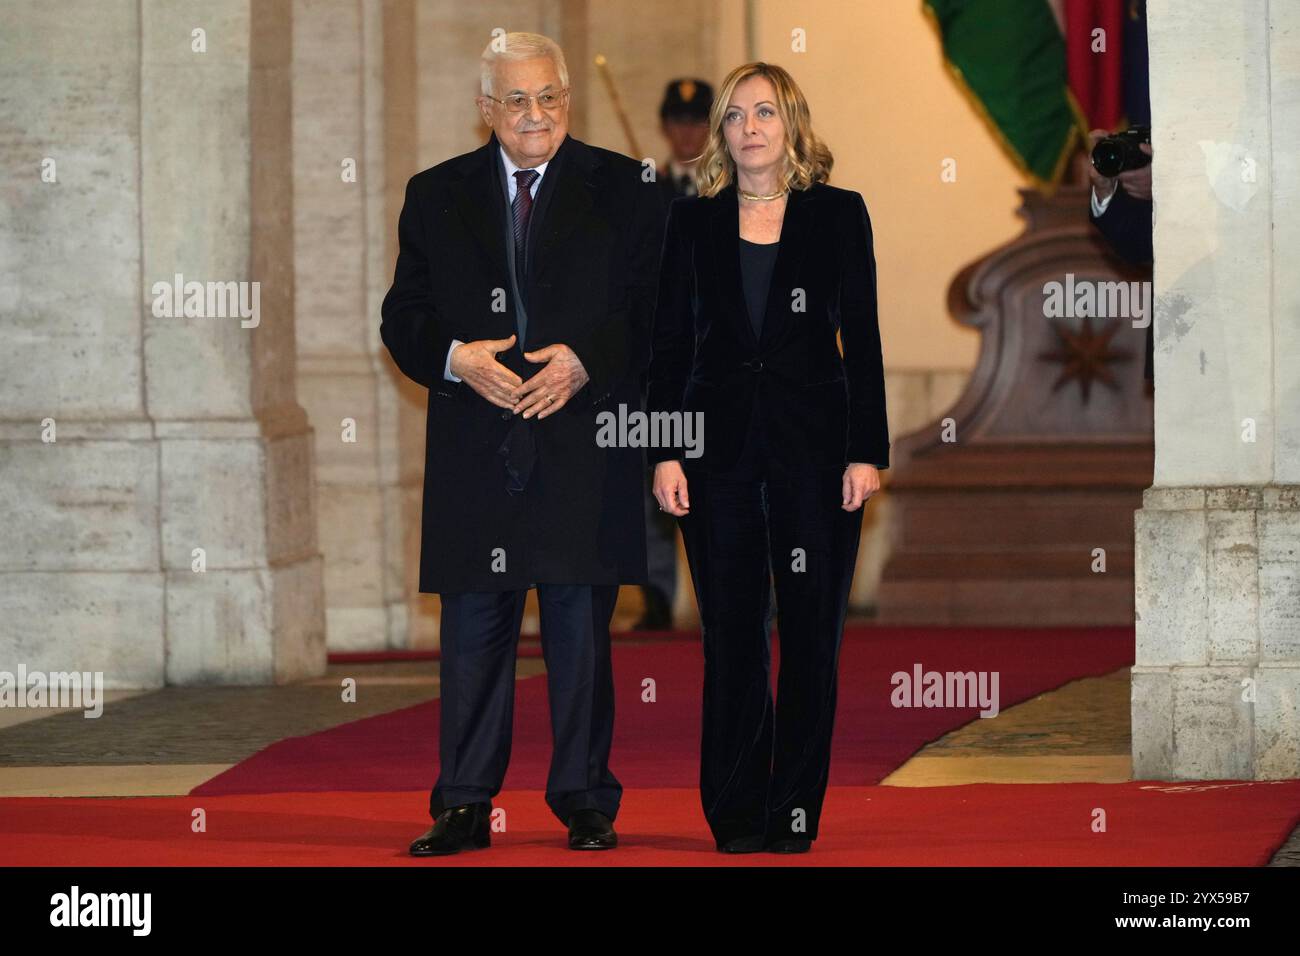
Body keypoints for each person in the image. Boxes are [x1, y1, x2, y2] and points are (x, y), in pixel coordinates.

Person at [380, 32, 664, 855]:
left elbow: (653, 311)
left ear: (567, 100)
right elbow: (404, 316)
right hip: (476, 452)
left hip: (583, 446)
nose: (535, 114)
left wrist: (586, 362)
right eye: (516, 99)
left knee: (580, 632)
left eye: (548, 97)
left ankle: (584, 799)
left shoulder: (627, 188)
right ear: (485, 110)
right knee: (473, 635)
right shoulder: (436, 195)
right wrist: (456, 359)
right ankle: (464, 804)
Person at [647, 61, 889, 853]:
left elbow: (864, 341)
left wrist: (866, 452)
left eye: (765, 113)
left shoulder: (838, 215)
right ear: (720, 133)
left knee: (812, 635)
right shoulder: (693, 224)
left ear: (792, 124)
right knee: (731, 633)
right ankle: (735, 811)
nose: (749, 128)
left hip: (817, 458)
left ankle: (794, 811)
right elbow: (671, 348)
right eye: (735, 116)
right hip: (715, 459)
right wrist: (666, 452)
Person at [634, 78, 714, 631]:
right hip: (660, 359)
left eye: (697, 121)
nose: (687, 131)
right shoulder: (647, 191)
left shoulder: (732, 189)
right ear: (666, 127)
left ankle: (729, 594)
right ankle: (656, 598)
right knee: (655, 473)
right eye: (678, 122)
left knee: (721, 477)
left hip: (721, 360)